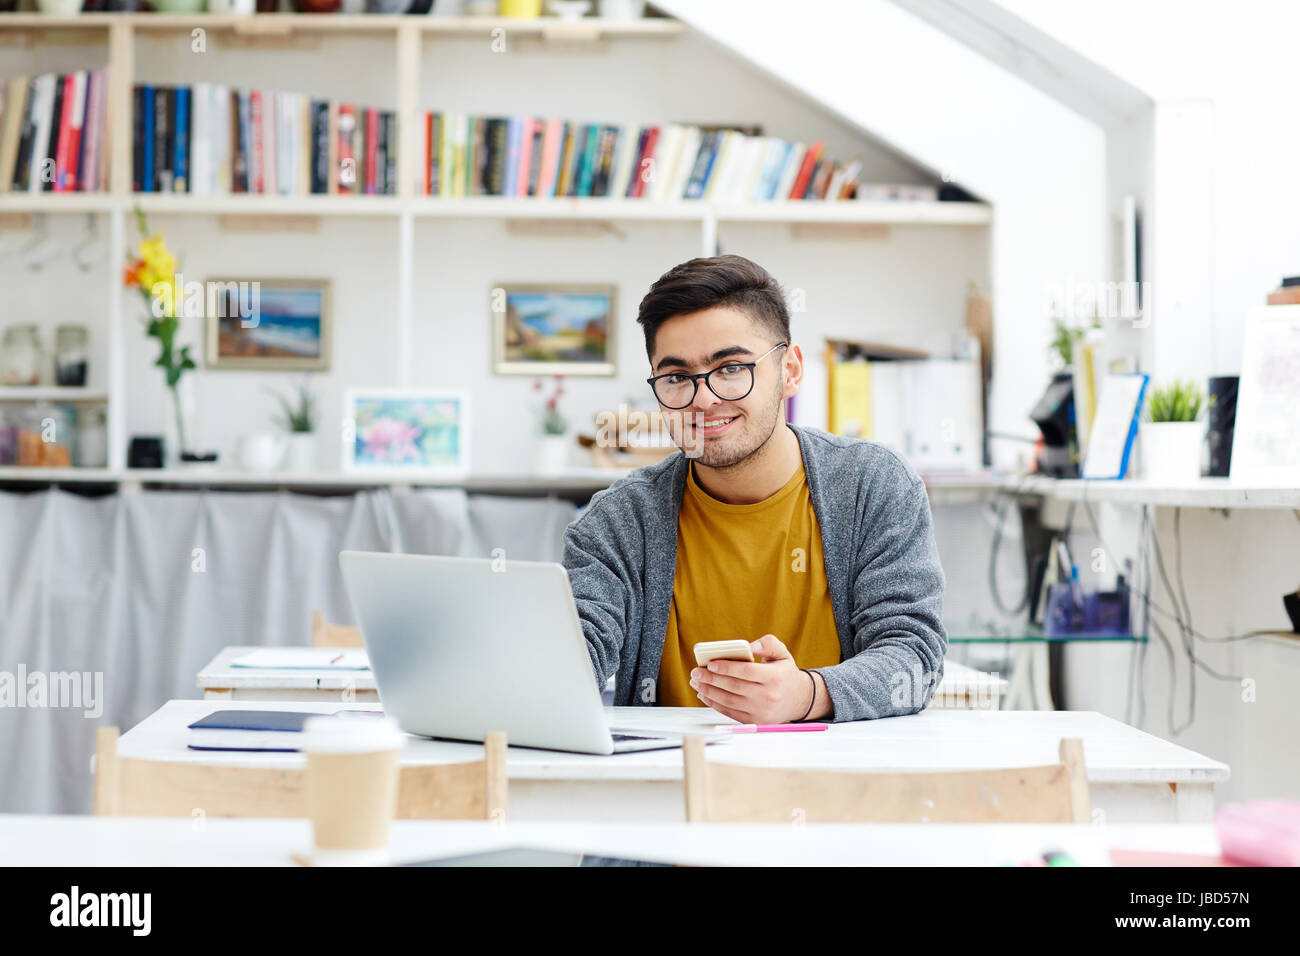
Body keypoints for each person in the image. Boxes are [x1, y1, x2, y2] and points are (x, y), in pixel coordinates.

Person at [563, 254, 947, 723]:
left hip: (838, 777)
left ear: (790, 371)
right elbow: (575, 652)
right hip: (672, 783)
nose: (703, 399)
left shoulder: (874, 487)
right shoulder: (617, 521)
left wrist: (808, 695)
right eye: (677, 377)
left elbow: (914, 657)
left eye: (730, 368)